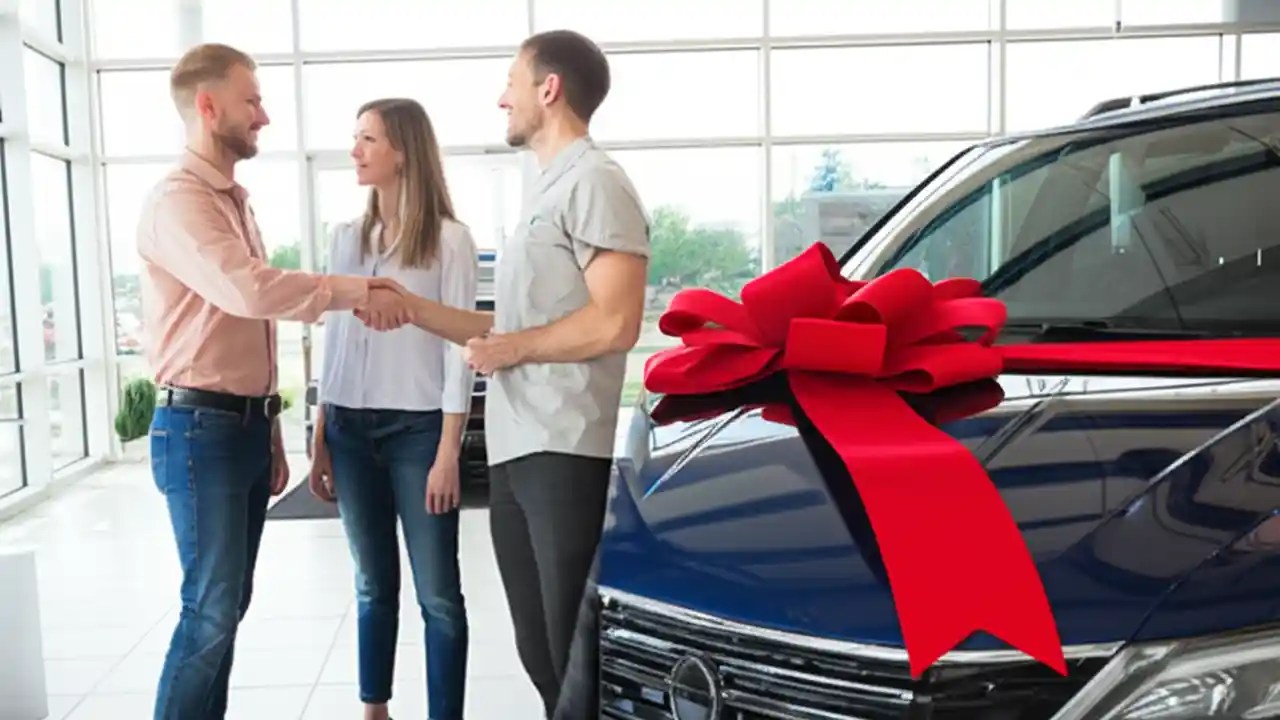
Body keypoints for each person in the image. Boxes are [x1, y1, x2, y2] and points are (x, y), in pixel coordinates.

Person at [380, 29, 650, 718]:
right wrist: (413, 309)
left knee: (571, 650)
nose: (503, 97)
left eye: (512, 81)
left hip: (563, 446)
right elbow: (505, 333)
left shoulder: (595, 181)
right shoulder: (545, 190)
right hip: (515, 446)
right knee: (538, 649)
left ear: (548, 88)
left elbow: (615, 322)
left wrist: (513, 349)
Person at [136, 43, 410, 720]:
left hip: (238, 423)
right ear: (208, 106)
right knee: (210, 609)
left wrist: (270, 425)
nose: (263, 115)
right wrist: (356, 291)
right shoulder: (179, 201)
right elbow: (248, 291)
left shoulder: (234, 202)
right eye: (251, 100)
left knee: (226, 607)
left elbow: (248, 324)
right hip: (199, 427)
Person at [307, 97, 477, 720]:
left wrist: (447, 453)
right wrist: (321, 434)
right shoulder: (345, 239)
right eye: (355, 138)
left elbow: (463, 348)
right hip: (350, 429)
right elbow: (337, 342)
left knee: (439, 596)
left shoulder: (451, 242)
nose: (355, 150)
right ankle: (373, 710)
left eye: (368, 139)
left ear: (403, 151)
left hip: (418, 432)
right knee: (372, 585)